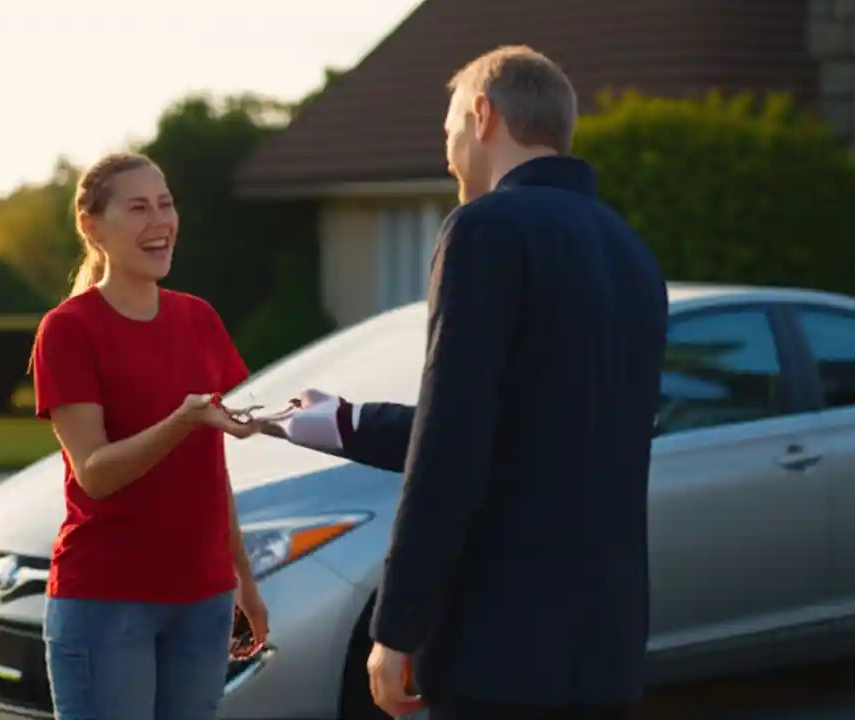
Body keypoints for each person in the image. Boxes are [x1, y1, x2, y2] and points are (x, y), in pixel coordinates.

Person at [265, 46, 668, 720]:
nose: (448, 152)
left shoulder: (485, 229)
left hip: (500, 643)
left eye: (449, 129)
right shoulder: (630, 249)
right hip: (606, 646)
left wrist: (396, 627)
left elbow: (455, 445)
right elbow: (536, 433)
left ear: (482, 115)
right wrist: (346, 424)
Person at [30, 151, 269, 720]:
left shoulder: (199, 320)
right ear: (93, 227)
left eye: (165, 204)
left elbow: (212, 472)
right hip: (108, 600)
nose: (159, 221)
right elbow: (96, 473)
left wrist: (244, 579)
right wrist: (180, 421)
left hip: (204, 597)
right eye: (137, 208)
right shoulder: (67, 330)